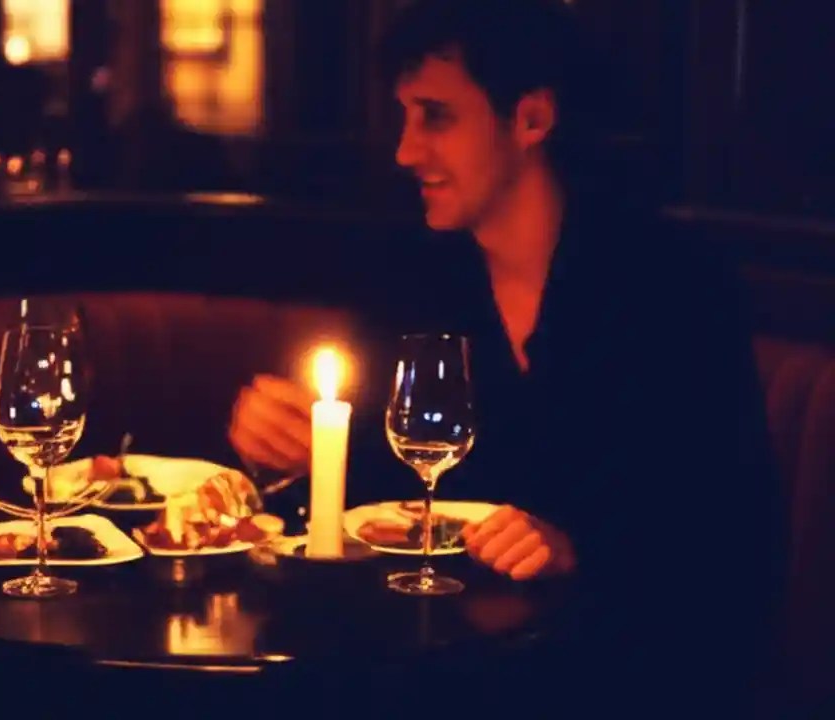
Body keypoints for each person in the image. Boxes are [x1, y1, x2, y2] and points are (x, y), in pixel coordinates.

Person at [228, 0, 785, 709]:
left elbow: (725, 539)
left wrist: (576, 551)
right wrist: (288, 451)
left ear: (530, 120)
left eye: (436, 116)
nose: (405, 150)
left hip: (629, 677)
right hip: (442, 674)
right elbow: (369, 495)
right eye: (403, 117)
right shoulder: (417, 279)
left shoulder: (669, 286)